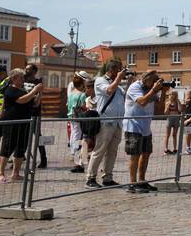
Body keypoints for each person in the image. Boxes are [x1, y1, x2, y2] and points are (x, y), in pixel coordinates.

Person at [0, 68, 44, 183]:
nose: (23, 79)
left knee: (21, 148)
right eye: (20, 77)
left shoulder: (24, 90)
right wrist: (34, 91)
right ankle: (0, 173)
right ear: (13, 79)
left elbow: (35, 104)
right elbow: (21, 100)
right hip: (12, 122)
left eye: (23, 77)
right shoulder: (10, 90)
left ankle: (15, 173)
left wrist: (39, 93)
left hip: (25, 123)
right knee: (7, 146)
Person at [86, 58, 130, 188]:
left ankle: (107, 177)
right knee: (99, 150)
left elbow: (125, 96)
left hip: (117, 123)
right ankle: (90, 178)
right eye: (119, 69)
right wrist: (119, 79)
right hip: (106, 122)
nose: (121, 72)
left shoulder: (118, 85)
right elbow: (109, 90)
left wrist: (129, 82)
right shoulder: (100, 81)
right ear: (111, 70)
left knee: (112, 151)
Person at [124, 70, 168, 192]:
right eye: (153, 80)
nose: (155, 82)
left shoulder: (151, 88)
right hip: (133, 126)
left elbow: (160, 108)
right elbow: (142, 102)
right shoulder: (135, 87)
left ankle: (142, 181)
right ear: (146, 79)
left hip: (146, 127)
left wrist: (163, 92)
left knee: (146, 153)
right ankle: (132, 183)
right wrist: (154, 90)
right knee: (135, 155)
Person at [23, 63, 48, 169]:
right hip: (24, 112)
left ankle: (43, 159)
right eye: (25, 69)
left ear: (34, 71)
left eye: (28, 69)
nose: (26, 70)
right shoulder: (23, 81)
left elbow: (39, 97)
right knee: (23, 136)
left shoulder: (38, 82)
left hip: (35, 113)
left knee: (38, 136)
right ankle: (19, 157)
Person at [67, 71, 92, 172]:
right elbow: (84, 107)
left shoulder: (72, 93)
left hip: (71, 116)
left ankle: (75, 156)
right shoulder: (82, 95)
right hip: (79, 118)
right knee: (79, 137)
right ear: (82, 84)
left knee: (73, 135)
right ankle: (79, 161)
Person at [163, 89, 183, 155]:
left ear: (176, 95)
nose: (172, 96)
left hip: (176, 119)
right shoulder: (167, 102)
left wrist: (178, 101)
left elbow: (180, 110)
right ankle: (166, 149)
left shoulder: (177, 102)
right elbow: (165, 113)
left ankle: (175, 149)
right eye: (171, 94)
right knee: (167, 135)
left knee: (174, 135)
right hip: (169, 119)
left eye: (173, 94)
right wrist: (168, 107)